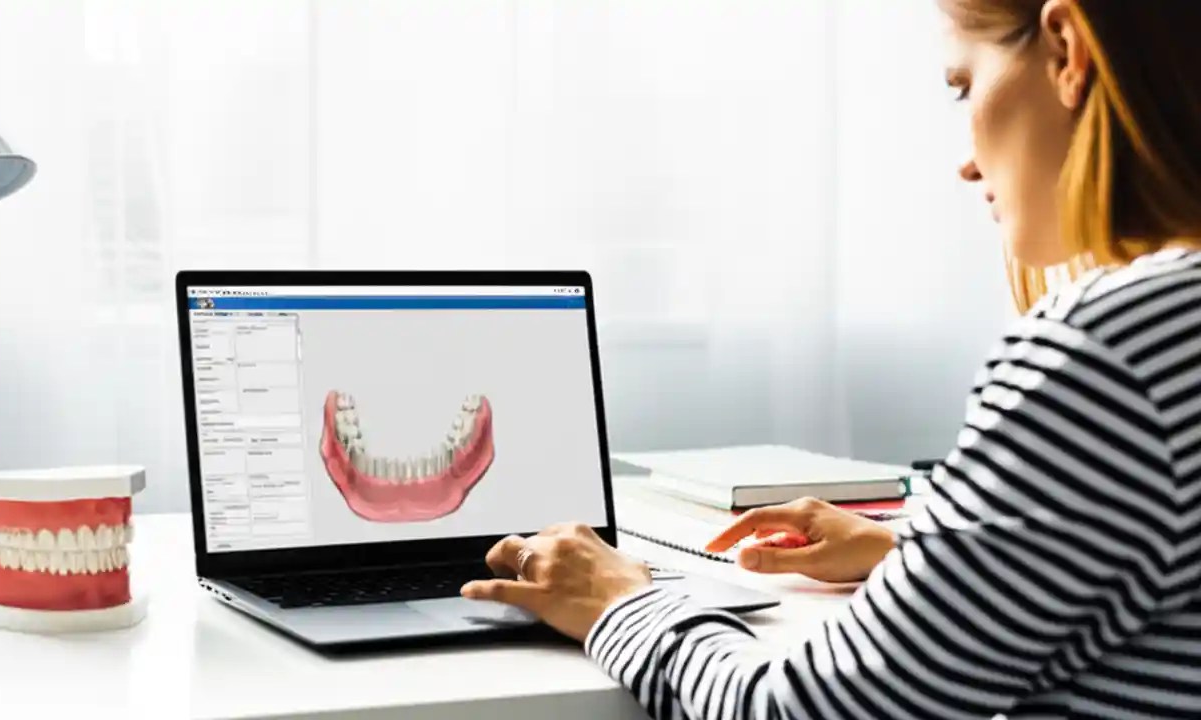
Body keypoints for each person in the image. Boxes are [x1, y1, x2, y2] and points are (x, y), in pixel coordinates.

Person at [460, 0, 1201, 717]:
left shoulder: (1108, 354)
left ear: (1067, 52)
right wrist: (921, 554)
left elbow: (807, 709)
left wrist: (616, 601)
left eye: (963, 86)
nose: (967, 166)